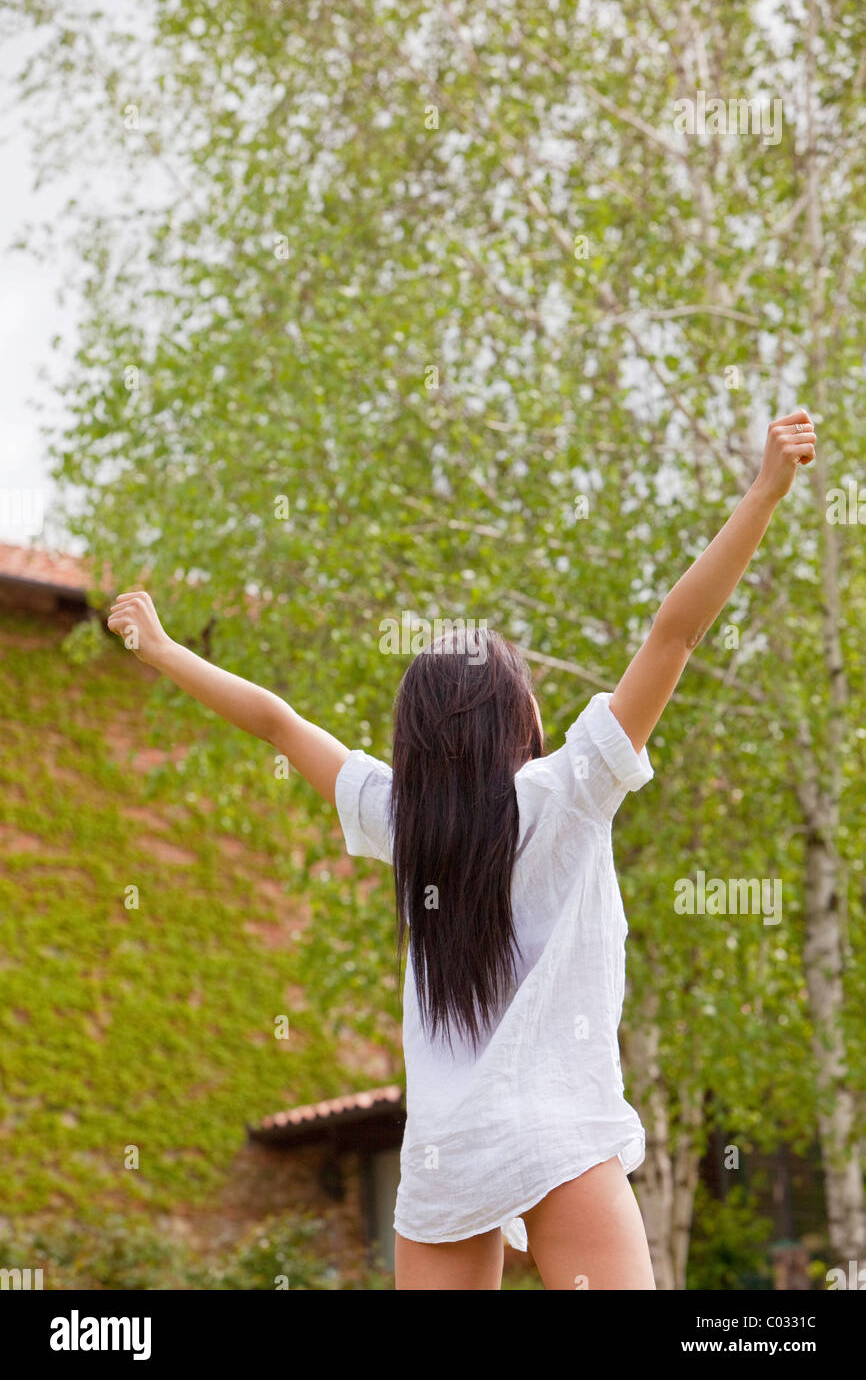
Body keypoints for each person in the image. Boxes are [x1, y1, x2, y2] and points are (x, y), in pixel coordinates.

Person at [107, 409, 817, 1290]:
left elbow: (280, 723)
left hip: (450, 1150)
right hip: (561, 1136)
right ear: (521, 720)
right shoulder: (569, 788)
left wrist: (165, 649)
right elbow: (675, 635)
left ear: (416, 741)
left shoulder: (402, 815)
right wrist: (762, 493)